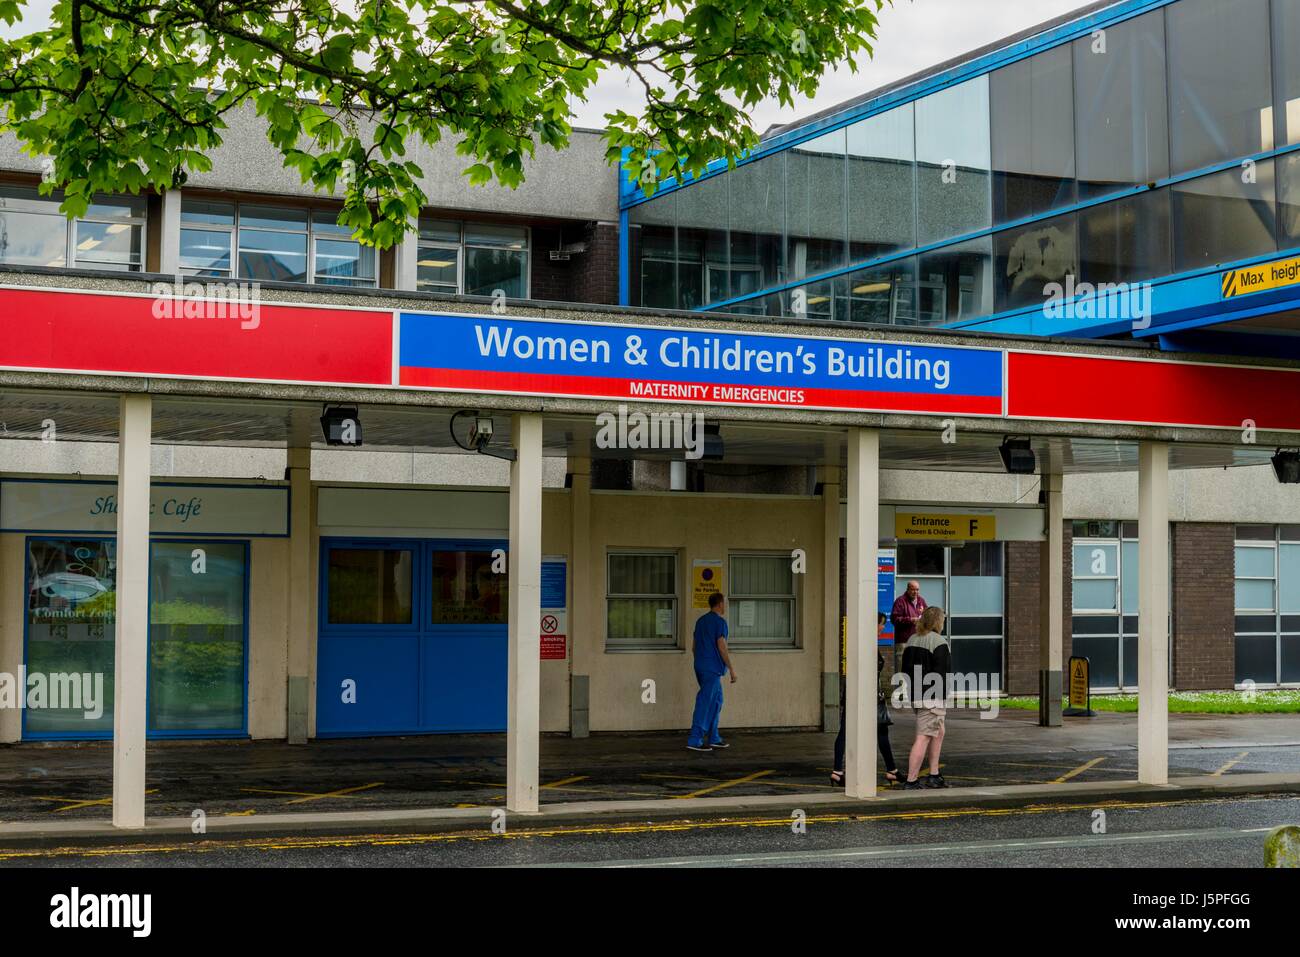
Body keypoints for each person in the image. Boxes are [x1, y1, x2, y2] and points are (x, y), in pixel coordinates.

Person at [830, 611, 902, 787]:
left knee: (846, 732)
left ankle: (837, 771)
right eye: (880, 624)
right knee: (881, 732)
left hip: (853, 693)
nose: (882, 627)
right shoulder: (867, 644)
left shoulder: (860, 642)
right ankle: (892, 771)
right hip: (869, 696)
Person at [900, 605, 951, 789]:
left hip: (915, 694)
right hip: (932, 697)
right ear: (938, 621)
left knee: (939, 731)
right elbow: (943, 672)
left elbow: (904, 670)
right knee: (923, 737)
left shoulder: (912, 639)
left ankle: (934, 773)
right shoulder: (939, 642)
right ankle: (912, 780)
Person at [687, 592, 735, 752]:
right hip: (712, 669)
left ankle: (714, 737)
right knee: (706, 701)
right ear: (720, 604)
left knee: (717, 701)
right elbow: (722, 646)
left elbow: (694, 647)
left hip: (701, 666)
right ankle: (695, 739)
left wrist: (702, 661)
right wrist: (732, 670)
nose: (725, 606)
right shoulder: (719, 622)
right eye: (724, 603)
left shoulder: (700, 621)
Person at [891, 580, 927, 645]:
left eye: (917, 590)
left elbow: (927, 615)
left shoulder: (921, 601)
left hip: (919, 641)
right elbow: (894, 619)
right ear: (907, 590)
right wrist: (911, 620)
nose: (915, 592)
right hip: (904, 641)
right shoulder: (900, 601)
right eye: (913, 590)